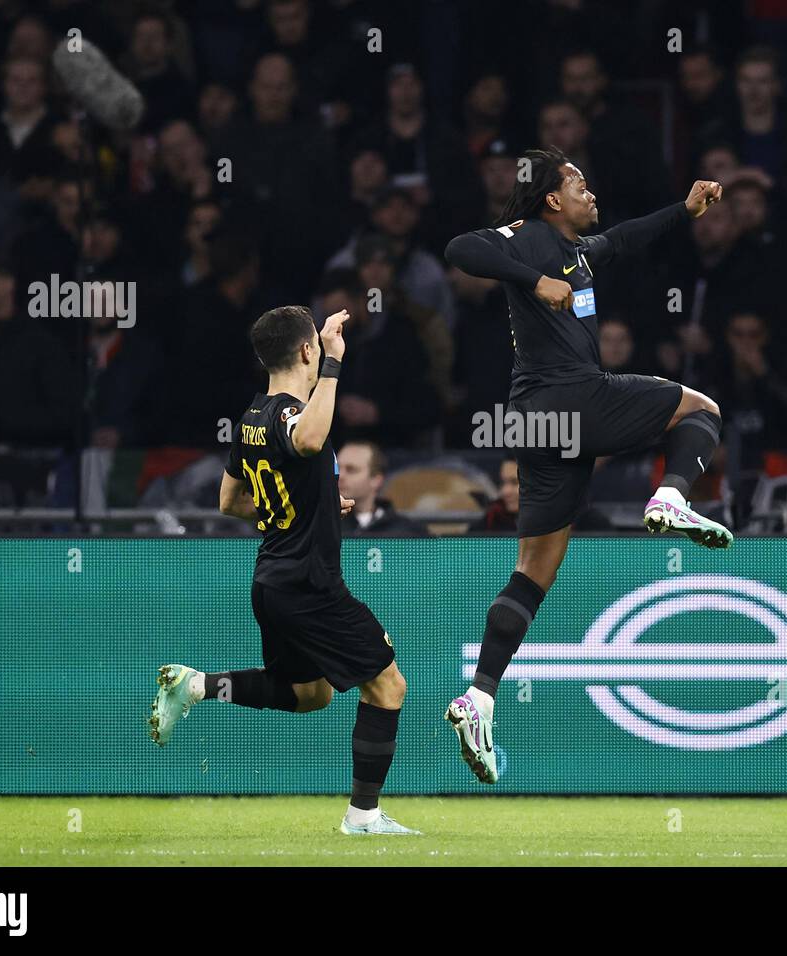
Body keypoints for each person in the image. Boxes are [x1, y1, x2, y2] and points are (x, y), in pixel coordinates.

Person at [442, 145, 730, 784]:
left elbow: (625, 238)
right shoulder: (529, 237)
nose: (590, 193)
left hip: (538, 424)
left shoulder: (578, 251)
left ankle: (479, 698)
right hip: (566, 397)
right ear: (552, 198)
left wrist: (683, 210)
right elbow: (461, 248)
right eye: (579, 185)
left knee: (533, 572)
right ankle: (671, 496)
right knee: (702, 409)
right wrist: (530, 279)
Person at [149, 305, 418, 836]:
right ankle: (363, 817)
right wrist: (336, 363)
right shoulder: (292, 414)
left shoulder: (251, 417)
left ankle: (196, 686)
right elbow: (309, 439)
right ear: (307, 350)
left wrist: (314, 505)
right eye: (317, 346)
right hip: (308, 583)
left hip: (272, 581)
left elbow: (229, 501)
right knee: (388, 686)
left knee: (310, 695)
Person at [337, 441, 429, 536]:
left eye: (351, 470)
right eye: (337, 469)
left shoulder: (408, 532)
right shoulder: (329, 525)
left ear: (376, 480)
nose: (340, 476)